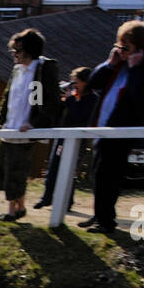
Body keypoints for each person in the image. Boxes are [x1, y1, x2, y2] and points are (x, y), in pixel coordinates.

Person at [81, 20, 144, 232]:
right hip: (104, 125)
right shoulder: (118, 59)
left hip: (124, 128)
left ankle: (106, 221)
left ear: (138, 46)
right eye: (119, 46)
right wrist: (109, 64)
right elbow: (93, 83)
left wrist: (135, 67)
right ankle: (99, 214)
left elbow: (141, 95)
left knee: (108, 176)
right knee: (98, 173)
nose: (121, 51)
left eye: (125, 47)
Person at [0, 29, 60, 222]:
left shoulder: (41, 70)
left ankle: (13, 211)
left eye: (17, 51)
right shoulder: (17, 70)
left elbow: (45, 100)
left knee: (15, 172)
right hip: (9, 129)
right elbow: (8, 97)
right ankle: (19, 207)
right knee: (5, 170)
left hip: (23, 133)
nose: (14, 54)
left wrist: (34, 123)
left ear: (28, 50)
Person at [36, 67, 97, 210]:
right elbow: (59, 115)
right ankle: (47, 198)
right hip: (62, 137)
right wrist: (62, 99)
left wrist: (70, 100)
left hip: (77, 140)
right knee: (53, 168)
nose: (74, 85)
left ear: (86, 82)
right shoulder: (73, 97)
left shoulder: (92, 99)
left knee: (70, 171)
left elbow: (79, 117)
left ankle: (67, 202)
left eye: (77, 82)